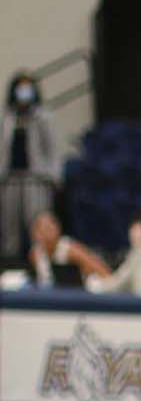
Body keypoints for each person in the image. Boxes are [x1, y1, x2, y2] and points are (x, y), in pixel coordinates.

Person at [1, 71, 62, 261]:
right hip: (10, 178)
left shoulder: (42, 116)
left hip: (36, 178)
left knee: (35, 223)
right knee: (9, 226)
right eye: (20, 88)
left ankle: (39, 263)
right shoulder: (7, 117)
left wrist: (54, 177)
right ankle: (10, 264)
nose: (24, 93)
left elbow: (53, 148)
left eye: (27, 88)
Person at [25, 211, 108, 289]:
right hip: (48, 298)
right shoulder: (34, 253)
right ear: (34, 233)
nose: (49, 232)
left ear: (58, 228)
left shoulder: (71, 249)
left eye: (51, 227)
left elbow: (104, 272)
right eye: (43, 229)